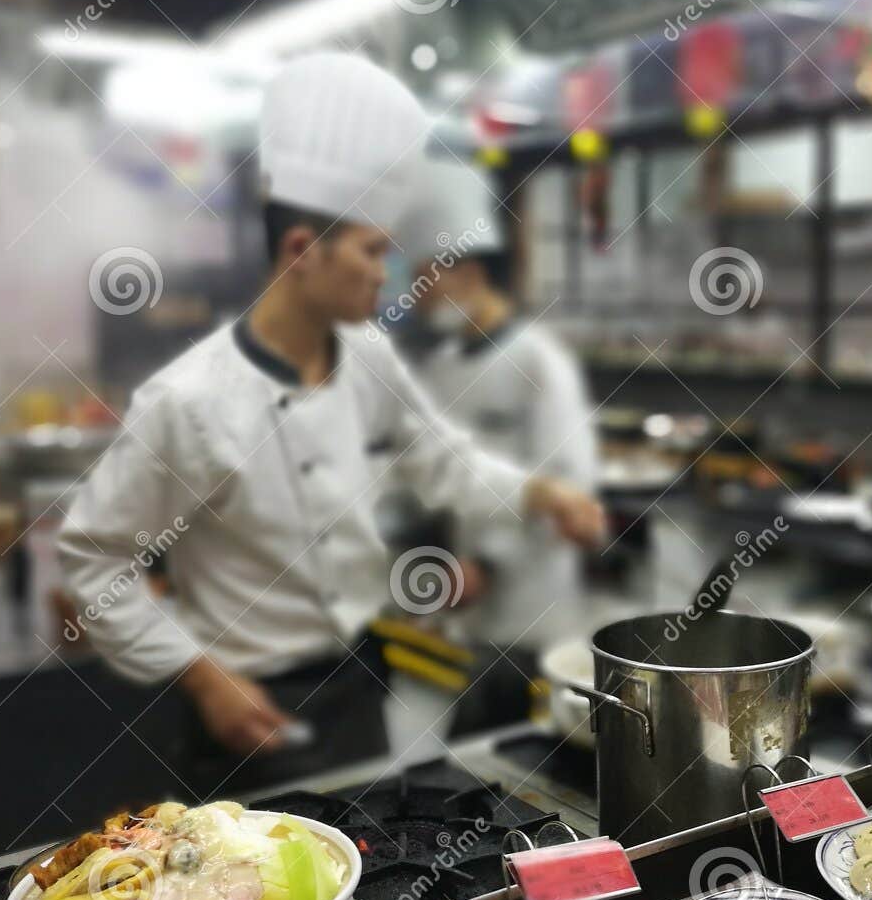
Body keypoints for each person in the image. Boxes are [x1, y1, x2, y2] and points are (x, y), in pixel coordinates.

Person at [57, 53, 604, 797]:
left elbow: (444, 461)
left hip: (358, 687)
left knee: (372, 886)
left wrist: (545, 494)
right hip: (249, 710)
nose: (389, 272)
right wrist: (203, 677)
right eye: (374, 251)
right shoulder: (187, 402)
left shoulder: (367, 356)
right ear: (301, 252)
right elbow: (93, 562)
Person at [407, 171, 598, 665]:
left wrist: (490, 563)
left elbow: (569, 483)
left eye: (425, 281)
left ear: (468, 274)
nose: (418, 300)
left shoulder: (540, 361)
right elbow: (434, 470)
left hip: (532, 609)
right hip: (463, 607)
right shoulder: (440, 368)